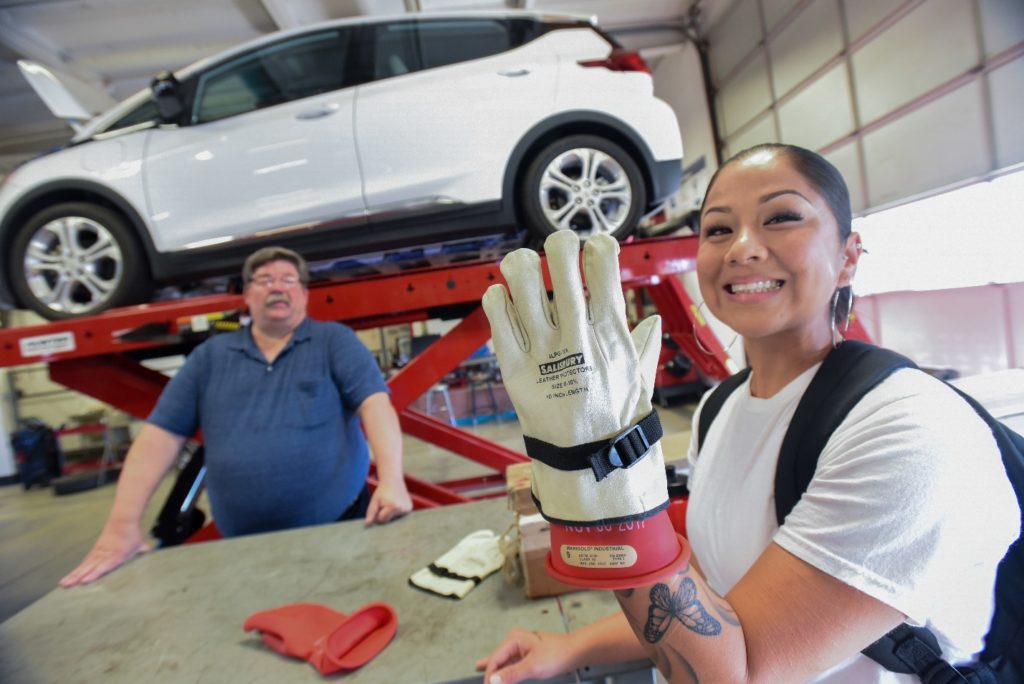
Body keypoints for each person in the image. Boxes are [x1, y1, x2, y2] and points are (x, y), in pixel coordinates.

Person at [478, 144, 1018, 682]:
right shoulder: (719, 408)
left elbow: (737, 673)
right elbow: (713, 607)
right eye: (717, 229)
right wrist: (569, 647)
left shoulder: (909, 430)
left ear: (849, 256)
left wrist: (599, 470)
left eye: (781, 217)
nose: (742, 248)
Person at [61, 246, 412, 587]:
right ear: (246, 294)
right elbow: (160, 435)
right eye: (264, 279)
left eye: (289, 279)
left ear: (304, 294)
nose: (277, 286)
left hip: (343, 532)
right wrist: (122, 525)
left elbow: (375, 404)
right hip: (244, 550)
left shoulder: (334, 341)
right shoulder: (209, 358)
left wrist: (391, 479)